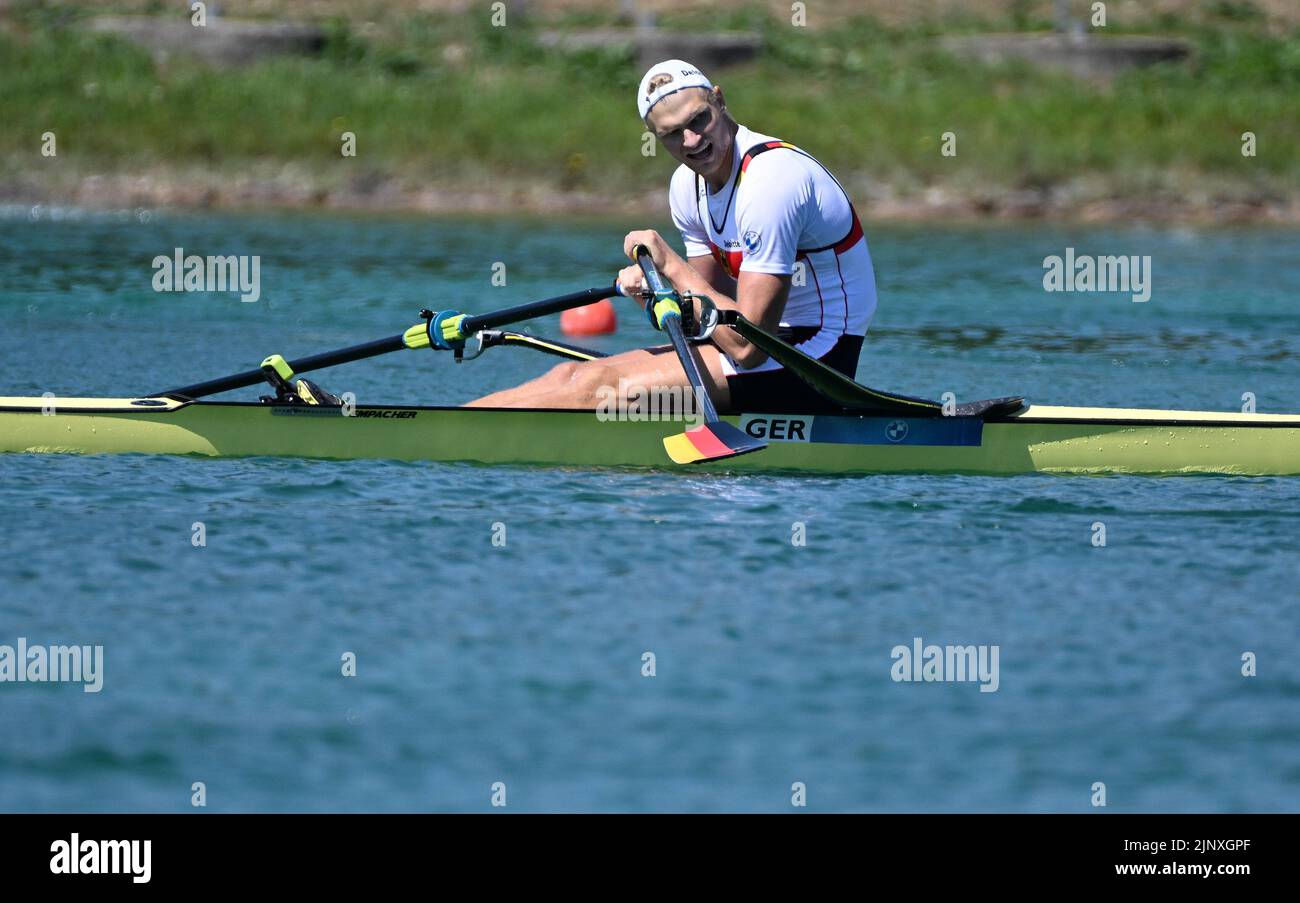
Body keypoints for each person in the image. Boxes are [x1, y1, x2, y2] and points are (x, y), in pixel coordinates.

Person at [468, 58, 878, 413]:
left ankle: (453, 435)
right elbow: (700, 315)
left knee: (594, 388)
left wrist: (667, 263)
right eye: (671, 134)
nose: (692, 141)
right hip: (765, 345)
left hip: (817, 362)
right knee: (569, 374)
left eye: (699, 119)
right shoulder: (687, 186)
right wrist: (652, 293)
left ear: (719, 99)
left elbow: (746, 348)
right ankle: (453, 422)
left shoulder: (771, 180)